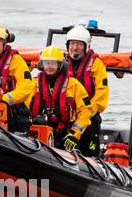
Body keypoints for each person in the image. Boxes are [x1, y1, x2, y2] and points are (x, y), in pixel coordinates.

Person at [31, 46, 94, 151]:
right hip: (39, 131)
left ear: (60, 65)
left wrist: (74, 134)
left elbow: (86, 111)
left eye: (53, 63)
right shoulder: (33, 83)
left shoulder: (73, 84)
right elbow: (24, 103)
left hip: (65, 134)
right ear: (42, 64)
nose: (49, 67)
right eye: (46, 63)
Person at [61, 25, 109, 156]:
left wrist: (86, 114)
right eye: (72, 44)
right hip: (65, 116)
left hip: (89, 119)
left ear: (86, 46)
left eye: (78, 44)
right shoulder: (60, 62)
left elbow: (101, 96)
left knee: (90, 151)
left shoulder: (96, 65)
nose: (75, 48)